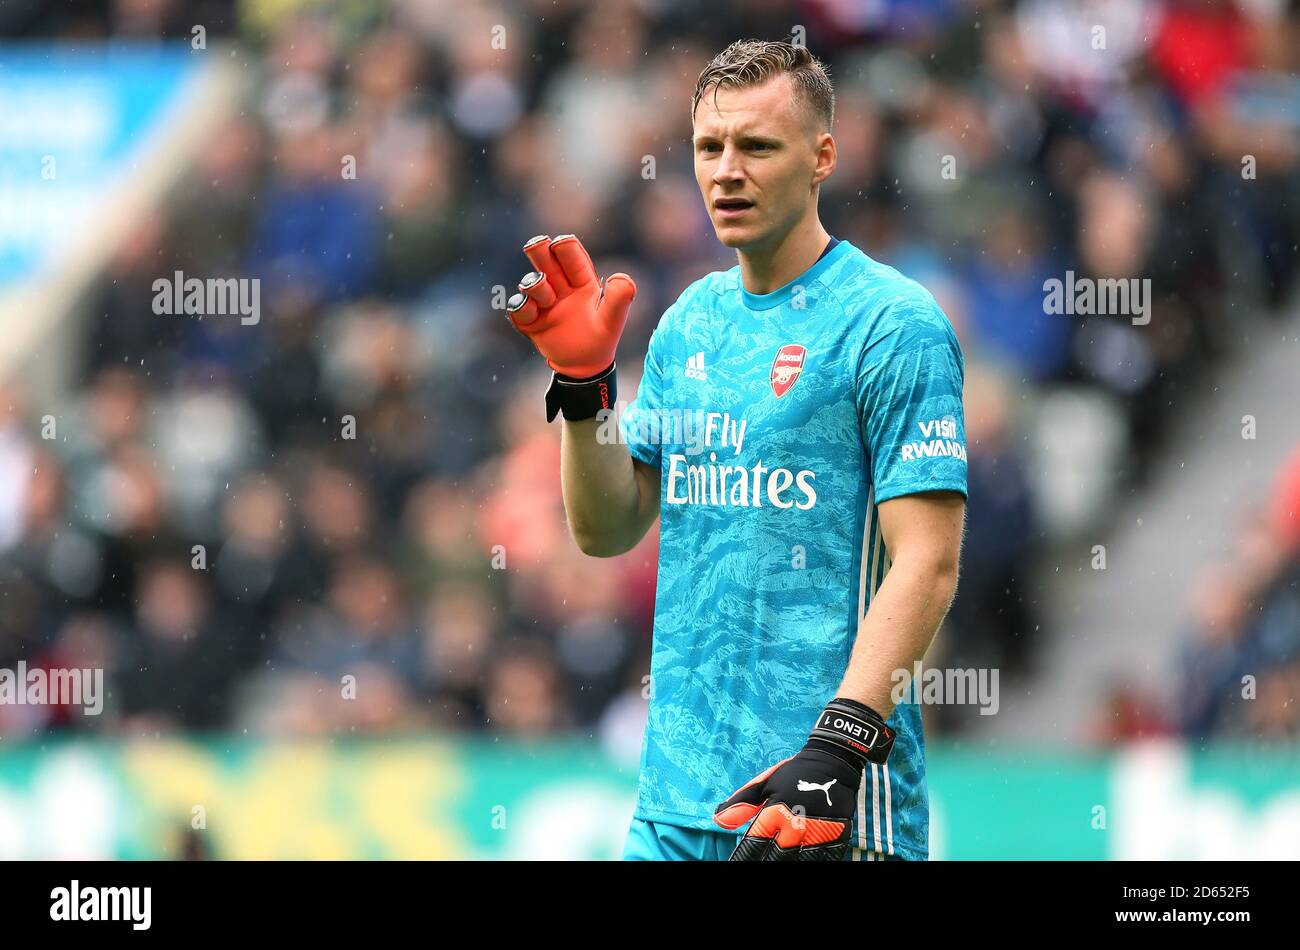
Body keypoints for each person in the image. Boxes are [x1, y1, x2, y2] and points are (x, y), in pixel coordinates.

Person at [504, 39, 967, 861]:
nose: (726, 171)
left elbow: (927, 564)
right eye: (709, 147)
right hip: (676, 806)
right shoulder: (690, 323)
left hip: (823, 804)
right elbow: (607, 528)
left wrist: (840, 748)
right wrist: (584, 389)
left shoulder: (892, 325)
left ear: (822, 156)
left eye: (756, 146)